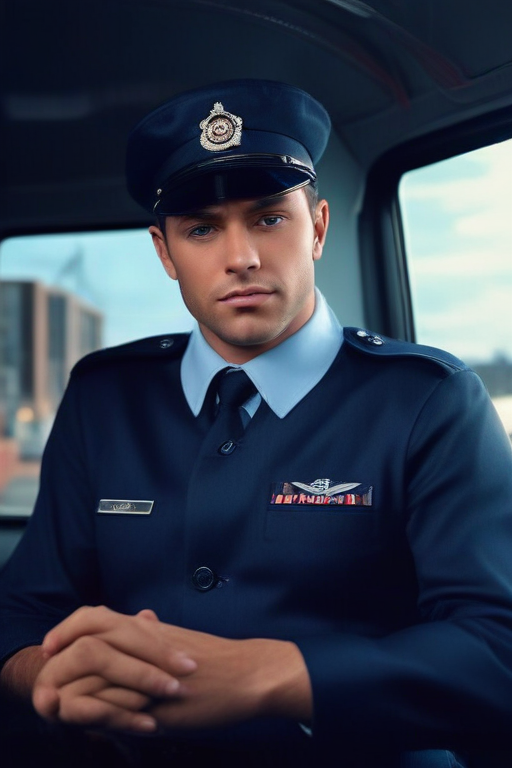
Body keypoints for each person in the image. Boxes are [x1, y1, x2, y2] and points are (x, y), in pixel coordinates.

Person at [1, 79, 512, 768]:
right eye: (202, 229)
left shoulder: (428, 400)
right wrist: (46, 679)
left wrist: (273, 676)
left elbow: (496, 648)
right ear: (164, 252)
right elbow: (20, 611)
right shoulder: (104, 400)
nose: (240, 256)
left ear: (319, 228)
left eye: (269, 217)